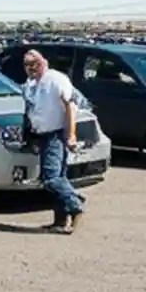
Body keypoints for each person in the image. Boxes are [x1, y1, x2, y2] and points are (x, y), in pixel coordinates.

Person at [20, 49, 84, 234]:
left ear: (44, 63)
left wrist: (71, 134)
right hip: (42, 135)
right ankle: (60, 220)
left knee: (51, 178)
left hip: (55, 135)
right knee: (58, 177)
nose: (32, 68)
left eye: (36, 63)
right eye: (28, 64)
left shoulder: (56, 79)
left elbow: (70, 106)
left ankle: (75, 203)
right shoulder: (31, 84)